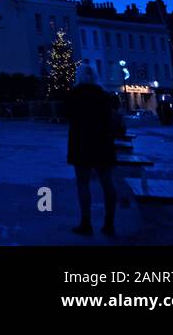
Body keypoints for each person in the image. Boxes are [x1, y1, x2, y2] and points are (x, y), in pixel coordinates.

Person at [66, 64, 118, 237]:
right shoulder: (104, 96)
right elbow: (111, 120)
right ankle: (109, 222)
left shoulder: (74, 95)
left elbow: (68, 116)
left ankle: (86, 222)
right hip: (103, 142)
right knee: (107, 182)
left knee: (83, 183)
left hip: (81, 143)